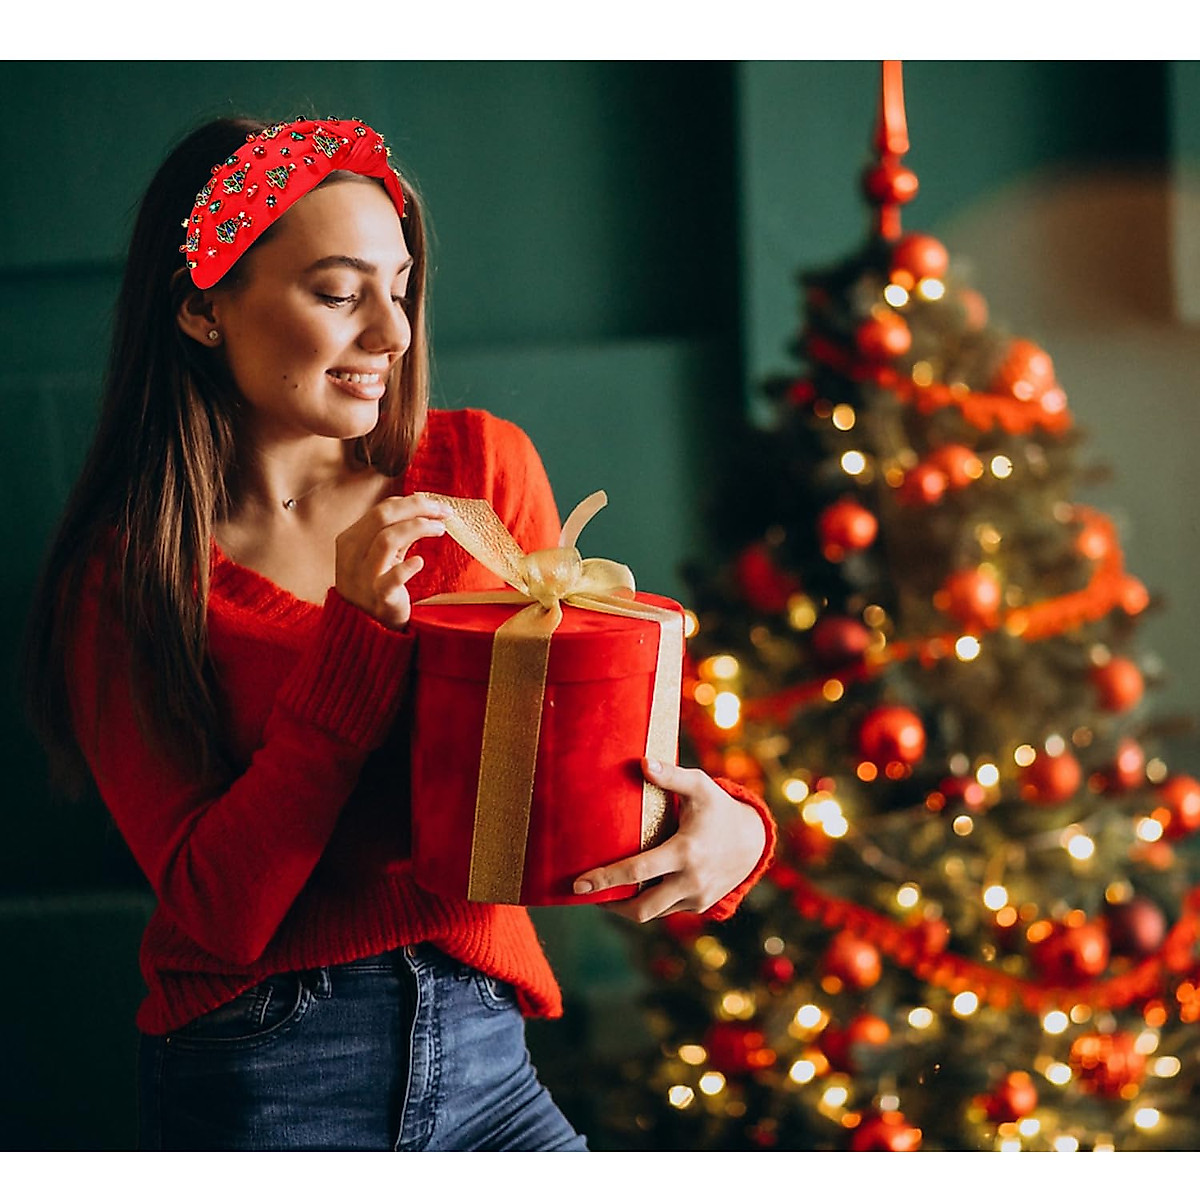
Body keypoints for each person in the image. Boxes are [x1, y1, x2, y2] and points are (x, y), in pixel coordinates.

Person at [22, 113, 776, 1152]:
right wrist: (357, 636)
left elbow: (585, 784)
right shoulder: (127, 578)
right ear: (203, 310)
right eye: (339, 293)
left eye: (401, 285)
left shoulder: (479, 473)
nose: (393, 334)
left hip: (486, 1047)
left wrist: (731, 837)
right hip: (268, 1068)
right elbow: (217, 912)